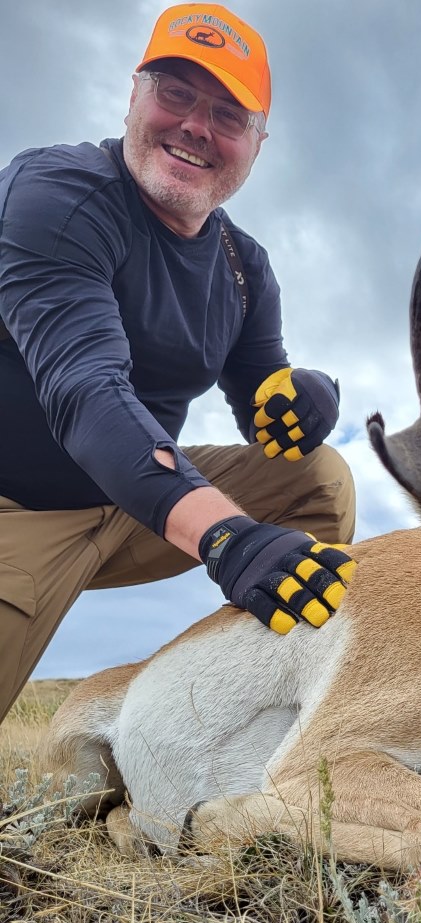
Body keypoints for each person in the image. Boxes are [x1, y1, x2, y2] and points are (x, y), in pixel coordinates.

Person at [0, 4, 357, 724]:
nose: (197, 125)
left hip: (133, 507)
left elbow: (265, 405)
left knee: (320, 479)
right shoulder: (60, 194)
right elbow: (86, 391)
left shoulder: (243, 267)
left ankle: (258, 715)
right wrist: (228, 538)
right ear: (135, 95)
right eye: (176, 92)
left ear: (257, 144)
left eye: (229, 114)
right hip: (19, 506)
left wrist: (304, 398)